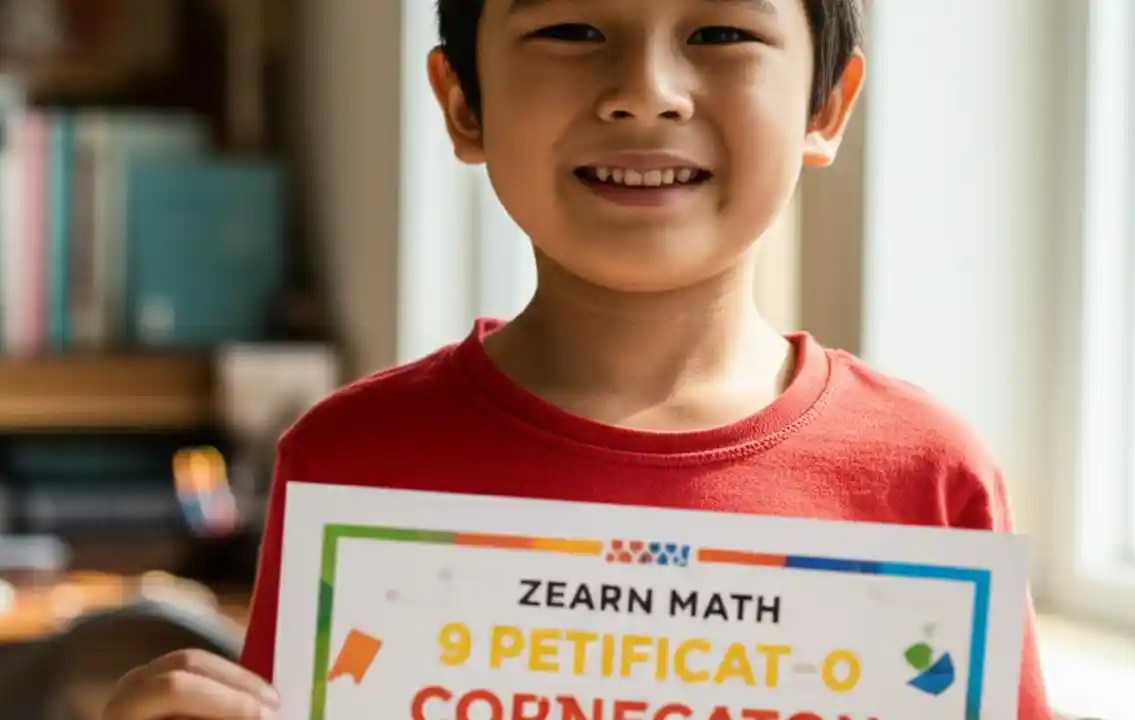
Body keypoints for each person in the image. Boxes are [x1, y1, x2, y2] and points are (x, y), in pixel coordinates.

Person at [103, 0, 1053, 717]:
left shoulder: (928, 477)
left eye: (721, 33)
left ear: (827, 106)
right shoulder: (352, 460)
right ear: (462, 102)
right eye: (569, 28)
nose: (646, 90)